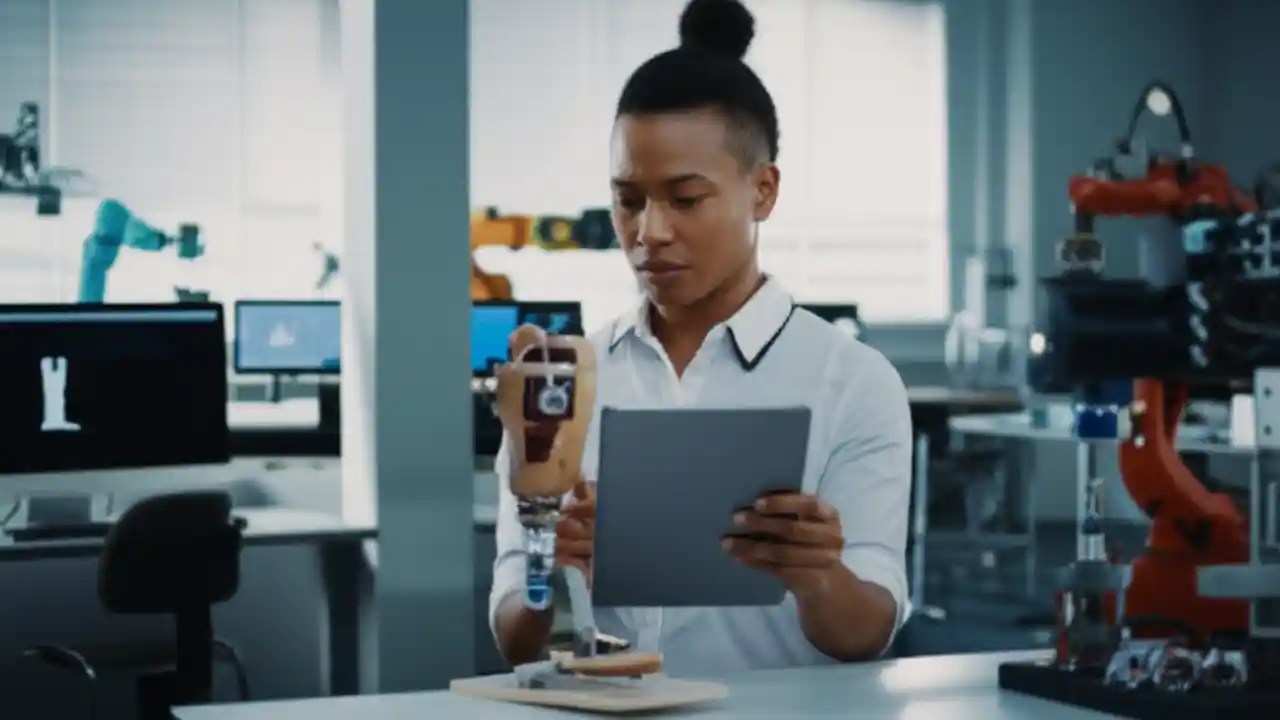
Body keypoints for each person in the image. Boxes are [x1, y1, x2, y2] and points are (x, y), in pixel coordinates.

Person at [489, 0, 912, 676]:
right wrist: (555, 567)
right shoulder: (563, 382)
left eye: (685, 200)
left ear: (763, 192)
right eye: (628, 200)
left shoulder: (854, 382)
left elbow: (868, 633)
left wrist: (817, 576)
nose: (649, 232)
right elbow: (516, 639)